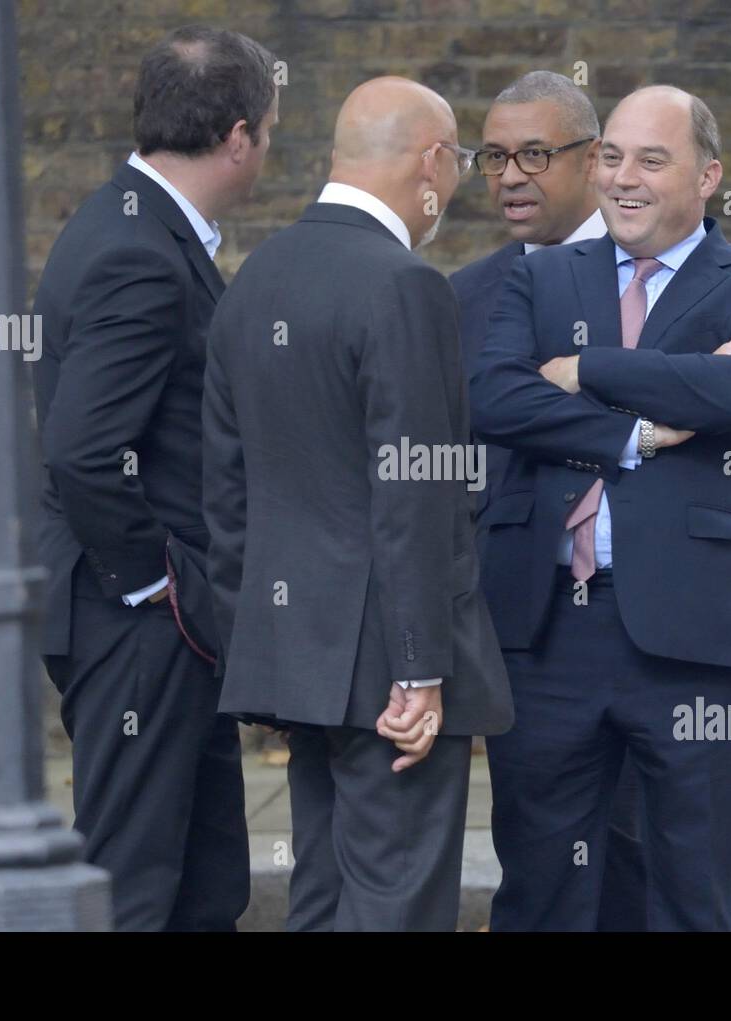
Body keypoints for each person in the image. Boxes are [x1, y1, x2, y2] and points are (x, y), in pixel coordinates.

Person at [471, 84, 731, 931]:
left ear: (707, 177)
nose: (624, 178)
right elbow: (494, 398)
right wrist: (648, 433)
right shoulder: (541, 276)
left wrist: (587, 370)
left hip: (698, 638)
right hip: (547, 632)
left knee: (689, 891)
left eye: (651, 160)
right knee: (542, 887)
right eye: (613, 157)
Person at [202, 77, 513, 932]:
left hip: (296, 654)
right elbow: (415, 490)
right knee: (397, 903)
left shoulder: (253, 281)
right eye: (461, 163)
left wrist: (255, 650)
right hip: (390, 665)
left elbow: (226, 495)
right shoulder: (404, 284)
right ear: (431, 162)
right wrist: (419, 668)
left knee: (325, 890)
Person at [32, 25, 278, 931]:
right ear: (240, 136)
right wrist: (157, 584)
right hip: (135, 621)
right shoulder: (140, 250)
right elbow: (85, 450)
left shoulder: (133, 222)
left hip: (159, 622)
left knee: (206, 882)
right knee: (135, 885)